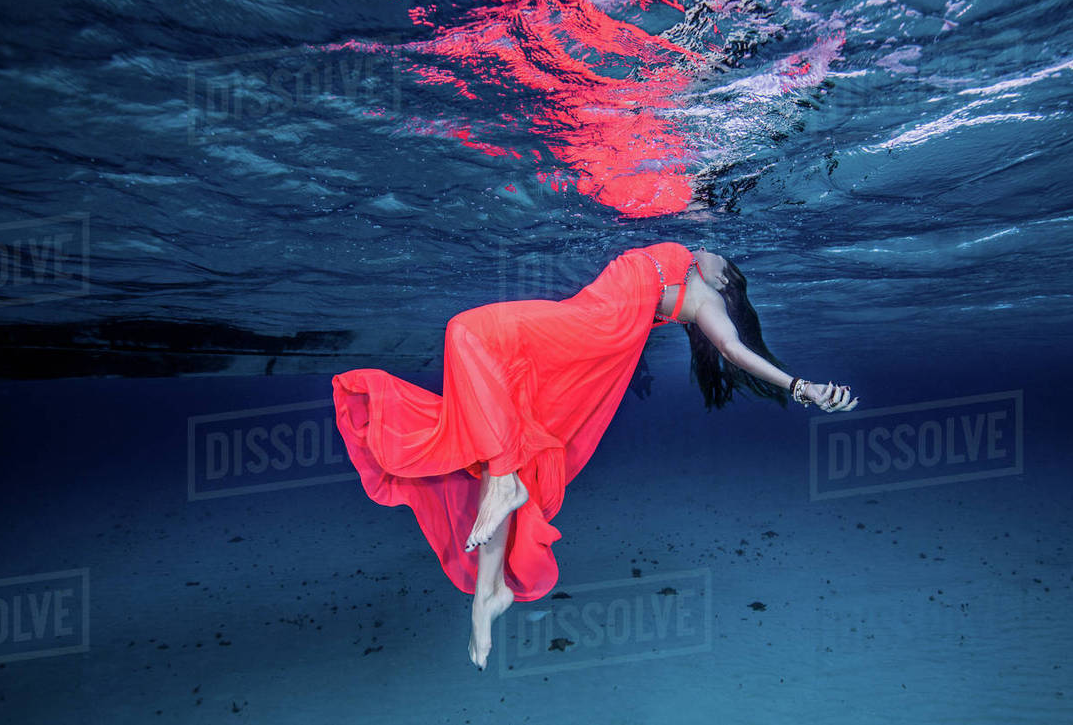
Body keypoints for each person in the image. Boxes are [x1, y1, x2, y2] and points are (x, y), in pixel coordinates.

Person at [331, 241, 858, 670]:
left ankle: (504, 488)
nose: (714, 247)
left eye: (722, 257)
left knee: (467, 331)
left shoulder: (708, 297)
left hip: (590, 330)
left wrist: (801, 386)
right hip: (579, 325)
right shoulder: (690, 267)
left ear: (724, 279)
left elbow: (735, 352)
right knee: (498, 442)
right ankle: (487, 594)